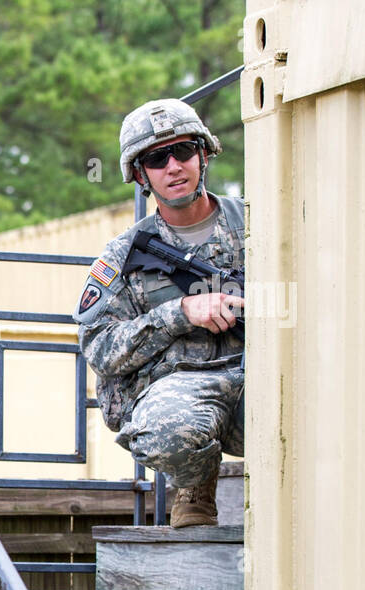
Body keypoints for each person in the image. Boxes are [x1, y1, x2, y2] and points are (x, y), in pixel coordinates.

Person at [73, 99, 246, 528]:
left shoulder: (259, 223)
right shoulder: (125, 255)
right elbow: (99, 346)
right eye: (156, 158)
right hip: (180, 389)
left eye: (184, 151)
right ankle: (195, 481)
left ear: (203, 155)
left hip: (258, 375)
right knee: (167, 432)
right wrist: (181, 312)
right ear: (139, 174)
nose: (173, 166)